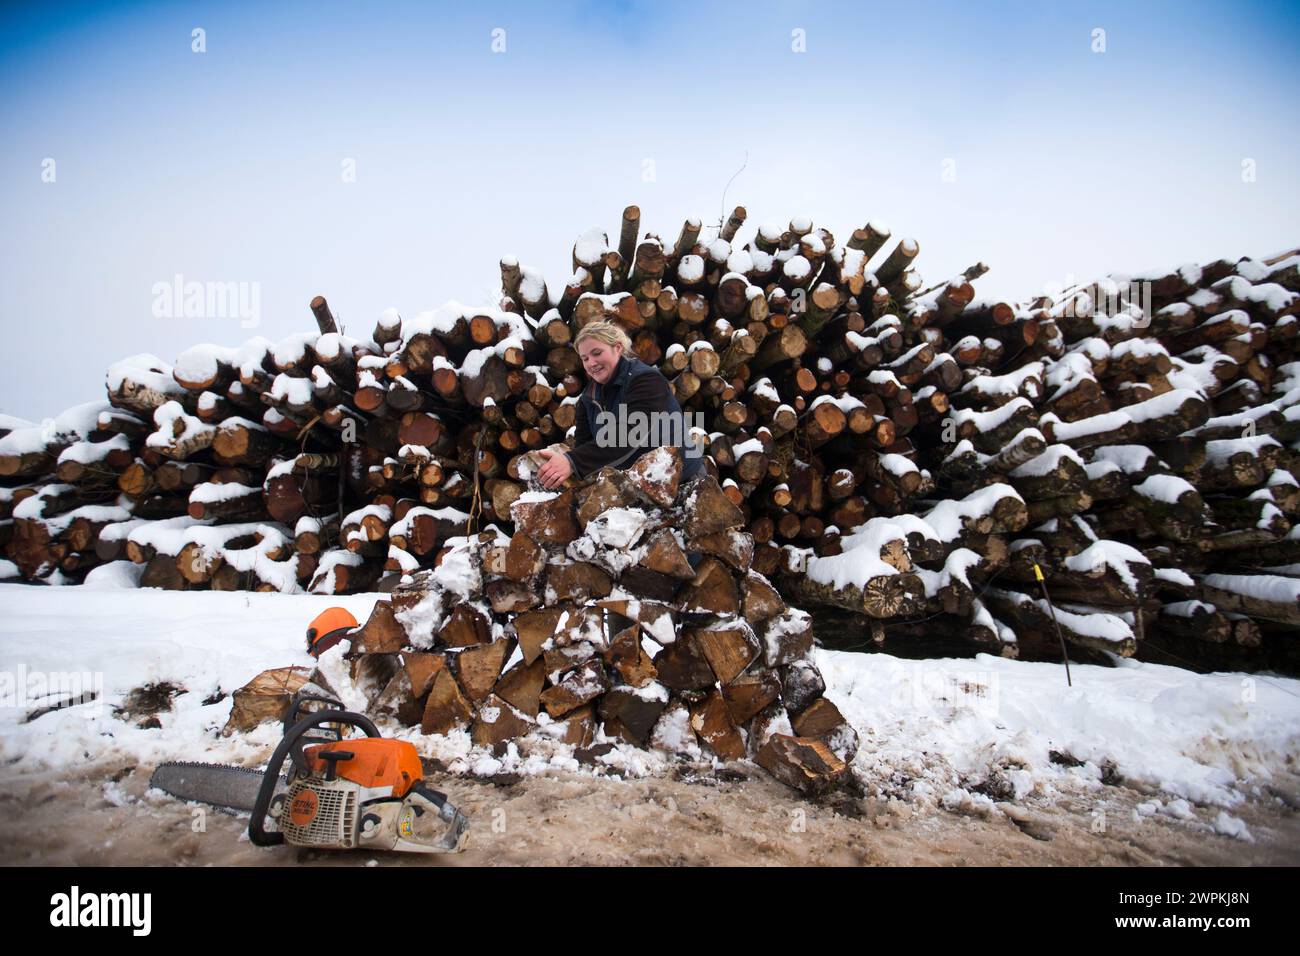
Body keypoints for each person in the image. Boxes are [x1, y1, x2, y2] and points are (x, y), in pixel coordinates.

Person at [537, 320, 706, 490]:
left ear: (617, 348)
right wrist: (568, 464)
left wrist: (571, 461)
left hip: (682, 480)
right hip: (639, 486)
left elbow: (629, 434)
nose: (591, 363)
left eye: (597, 353)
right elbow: (586, 447)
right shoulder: (588, 399)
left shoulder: (646, 380)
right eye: (585, 358)